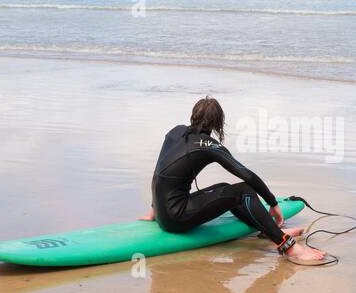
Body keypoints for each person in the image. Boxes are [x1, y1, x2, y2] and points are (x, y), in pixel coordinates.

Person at [139, 97, 327, 264]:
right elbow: (247, 175)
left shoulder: (175, 132)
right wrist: (272, 203)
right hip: (175, 219)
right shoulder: (209, 145)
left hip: (164, 213)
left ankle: (268, 232)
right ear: (217, 123)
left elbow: (159, 172)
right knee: (243, 191)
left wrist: (154, 211)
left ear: (193, 115)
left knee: (224, 188)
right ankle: (289, 247)